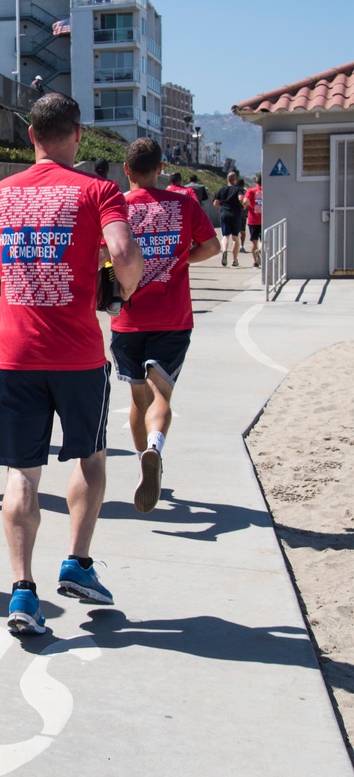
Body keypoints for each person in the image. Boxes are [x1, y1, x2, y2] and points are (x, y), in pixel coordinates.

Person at [0, 94, 142, 637]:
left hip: (16, 356)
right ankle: (78, 563)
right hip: (79, 356)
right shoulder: (99, 191)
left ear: (31, 136)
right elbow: (125, 256)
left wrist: (16, 271)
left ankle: (21, 591)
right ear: (76, 136)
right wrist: (122, 291)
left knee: (22, 475)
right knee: (89, 457)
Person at [110, 139, 220, 513]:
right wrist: (179, 259)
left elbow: (100, 254)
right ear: (161, 169)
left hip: (127, 318)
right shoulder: (184, 203)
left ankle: (144, 457)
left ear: (126, 170)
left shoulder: (118, 207)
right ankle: (155, 447)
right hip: (172, 318)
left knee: (137, 398)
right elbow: (212, 247)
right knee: (162, 396)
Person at [213, 170, 244, 266]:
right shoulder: (238, 188)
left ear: (227, 179)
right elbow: (241, 198)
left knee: (225, 236)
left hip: (225, 214)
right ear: (235, 179)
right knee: (235, 238)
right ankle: (235, 260)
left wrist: (223, 204)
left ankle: (224, 251)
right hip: (235, 215)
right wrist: (243, 205)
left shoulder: (222, 189)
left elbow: (215, 203)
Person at [243, 174, 263, 268]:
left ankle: (255, 262)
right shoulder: (268, 190)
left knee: (254, 242)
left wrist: (246, 206)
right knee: (263, 240)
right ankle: (260, 250)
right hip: (265, 219)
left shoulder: (251, 191)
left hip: (253, 220)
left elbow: (245, 201)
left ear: (256, 181)